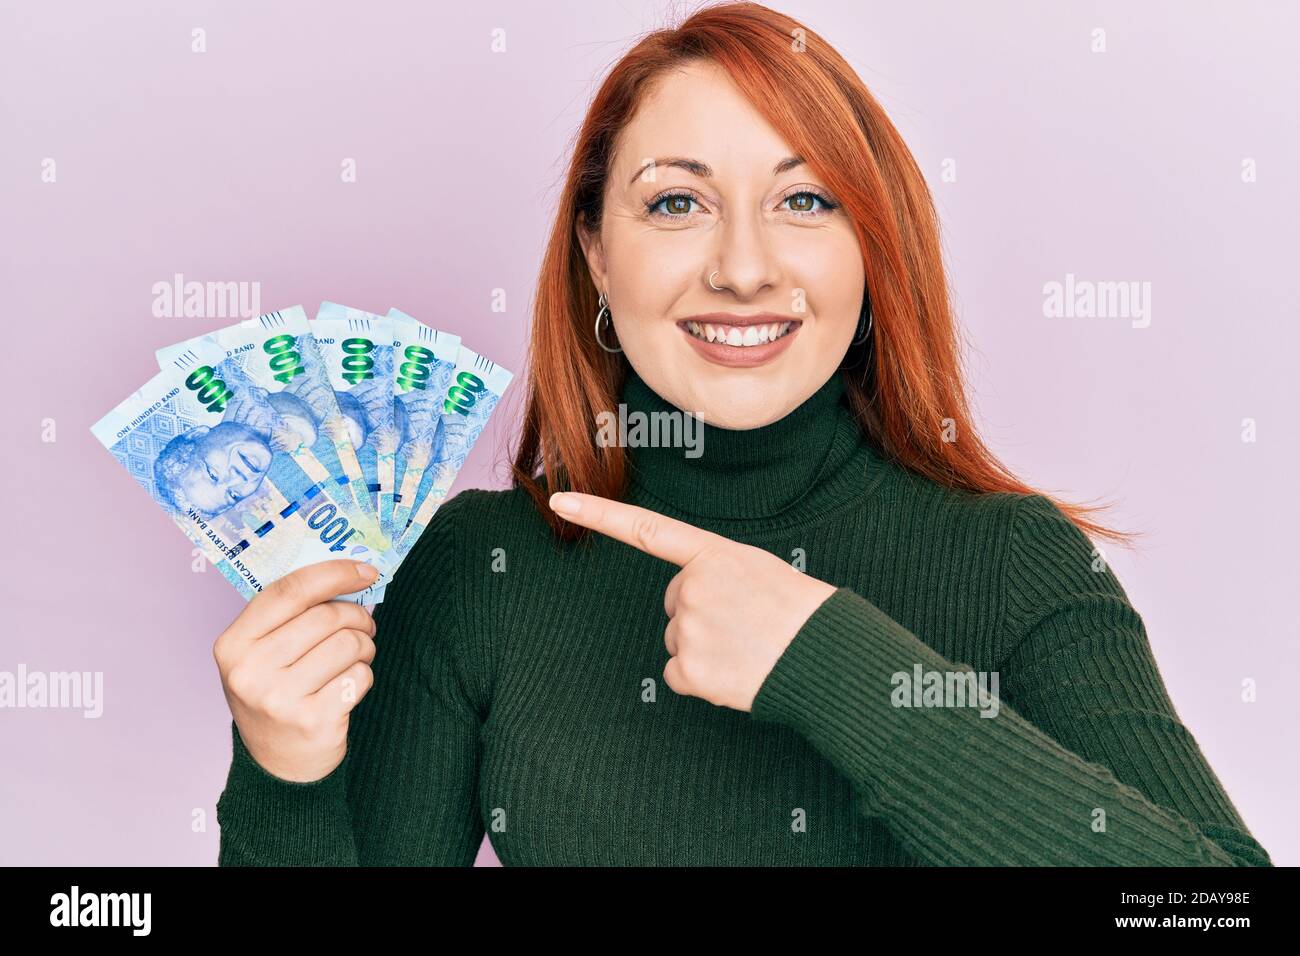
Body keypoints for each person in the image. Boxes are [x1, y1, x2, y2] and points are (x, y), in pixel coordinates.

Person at [210, 2, 1271, 866]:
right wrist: (282, 772)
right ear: (594, 251)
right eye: (676, 204)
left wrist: (827, 659)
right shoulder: (481, 570)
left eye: (804, 200)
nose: (745, 267)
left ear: (873, 244)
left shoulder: (1012, 558)